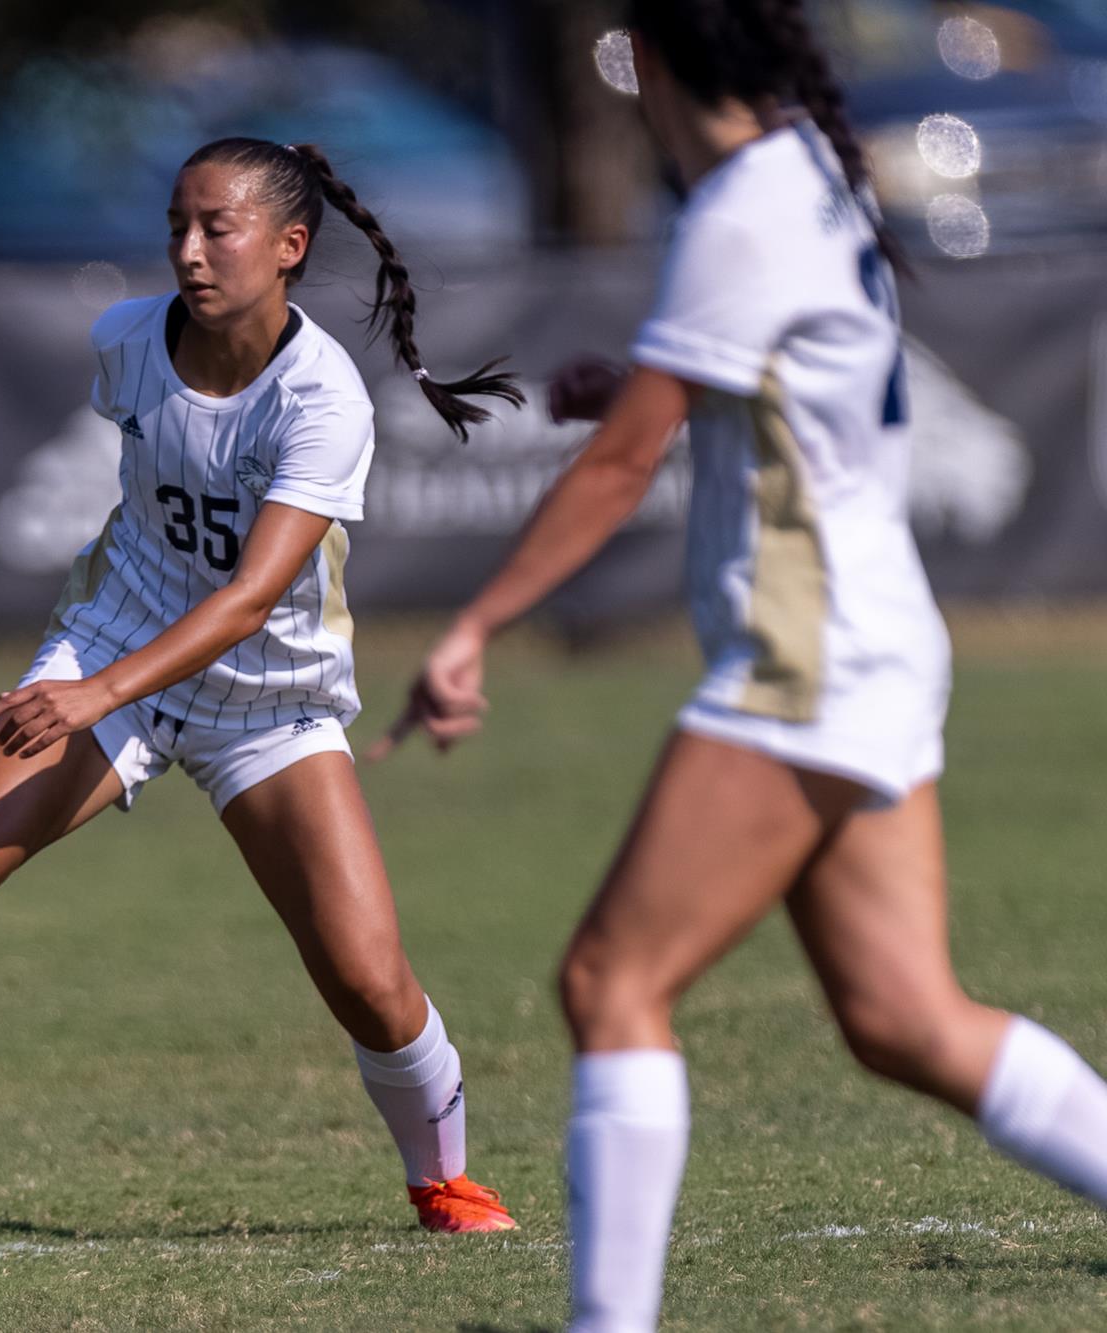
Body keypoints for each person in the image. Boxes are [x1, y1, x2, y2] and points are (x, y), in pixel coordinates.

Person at [372, 2, 1107, 1326]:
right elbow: (781, 374)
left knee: (612, 980)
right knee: (904, 1018)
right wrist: (663, 377)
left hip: (806, 653)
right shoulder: (809, 172)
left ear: (655, 63)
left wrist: (474, 628)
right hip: (872, 639)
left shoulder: (744, 206)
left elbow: (617, 469)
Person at [0, 136, 524, 1233]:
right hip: (116, 645)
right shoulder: (126, 343)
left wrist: (93, 696)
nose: (186, 251)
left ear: (287, 246)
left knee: (368, 979)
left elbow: (244, 599)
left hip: (268, 697)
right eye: (175, 225)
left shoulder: (323, 400)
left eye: (214, 228)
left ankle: (444, 1179)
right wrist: (92, 677)